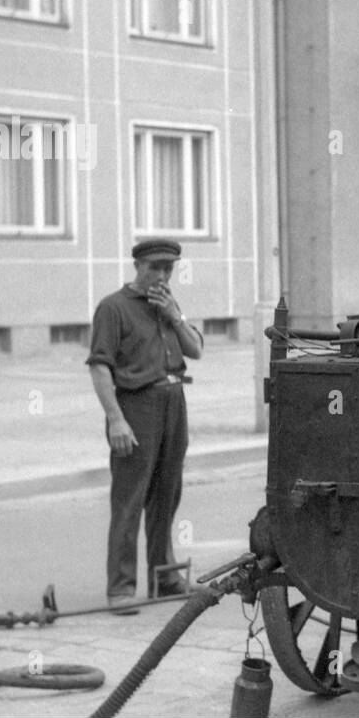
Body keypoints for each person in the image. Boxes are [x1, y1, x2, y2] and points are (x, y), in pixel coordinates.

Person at [87, 239, 203, 614]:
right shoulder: (113, 308)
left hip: (173, 401)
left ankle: (164, 576)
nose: (162, 275)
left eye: (169, 268)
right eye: (155, 267)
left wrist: (174, 315)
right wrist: (116, 419)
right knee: (129, 499)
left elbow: (196, 349)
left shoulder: (168, 305)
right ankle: (120, 588)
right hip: (136, 406)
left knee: (167, 495)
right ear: (137, 265)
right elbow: (100, 366)